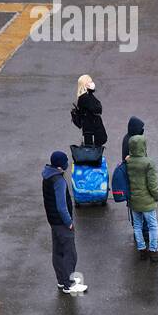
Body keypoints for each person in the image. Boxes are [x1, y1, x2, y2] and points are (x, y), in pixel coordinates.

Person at [42, 151, 86, 295]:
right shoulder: (59, 181)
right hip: (61, 222)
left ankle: (61, 281)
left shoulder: (47, 176)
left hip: (53, 222)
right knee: (69, 253)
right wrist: (69, 223)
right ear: (61, 166)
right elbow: (62, 206)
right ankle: (69, 284)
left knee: (58, 251)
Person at [126, 134, 158, 263]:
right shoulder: (148, 163)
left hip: (133, 200)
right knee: (152, 226)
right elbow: (152, 185)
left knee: (137, 225)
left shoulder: (128, 161)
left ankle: (142, 250)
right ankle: (154, 251)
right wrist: (157, 196)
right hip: (147, 201)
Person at [73, 74, 107, 147]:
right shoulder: (85, 98)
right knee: (91, 150)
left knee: (91, 148)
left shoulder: (86, 96)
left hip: (90, 129)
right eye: (89, 82)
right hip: (91, 130)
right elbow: (97, 109)